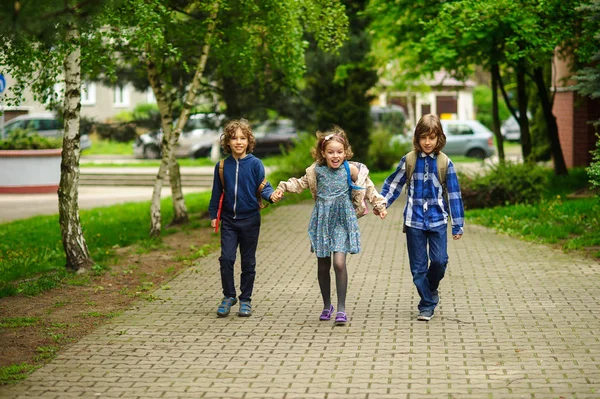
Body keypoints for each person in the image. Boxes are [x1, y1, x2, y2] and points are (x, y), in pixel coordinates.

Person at [272, 126, 387, 325]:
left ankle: (341, 308)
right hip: (322, 221)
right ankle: (327, 305)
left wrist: (379, 204)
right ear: (323, 153)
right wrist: (283, 188)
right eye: (331, 152)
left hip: (342, 220)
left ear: (346, 153)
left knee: (339, 263)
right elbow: (299, 184)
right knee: (323, 266)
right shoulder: (316, 171)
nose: (335, 156)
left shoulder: (350, 170)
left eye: (339, 152)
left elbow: (368, 186)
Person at [377, 114, 464, 322]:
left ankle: (431, 288)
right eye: (423, 137)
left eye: (432, 138)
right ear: (417, 138)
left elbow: (453, 195)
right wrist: (382, 203)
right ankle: (427, 305)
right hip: (414, 220)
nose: (427, 142)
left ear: (439, 139)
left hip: (438, 220)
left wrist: (457, 224)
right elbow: (394, 184)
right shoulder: (409, 160)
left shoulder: (445, 163)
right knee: (418, 268)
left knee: (440, 261)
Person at [209, 119, 280, 318]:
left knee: (248, 262)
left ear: (249, 141)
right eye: (234, 138)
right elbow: (216, 192)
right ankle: (228, 296)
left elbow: (263, 186)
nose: (238, 142)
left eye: (242, 138)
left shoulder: (255, 164)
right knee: (226, 258)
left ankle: (245, 300)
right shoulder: (222, 166)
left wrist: (272, 196)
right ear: (228, 142)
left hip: (250, 219)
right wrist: (213, 214)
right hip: (229, 221)